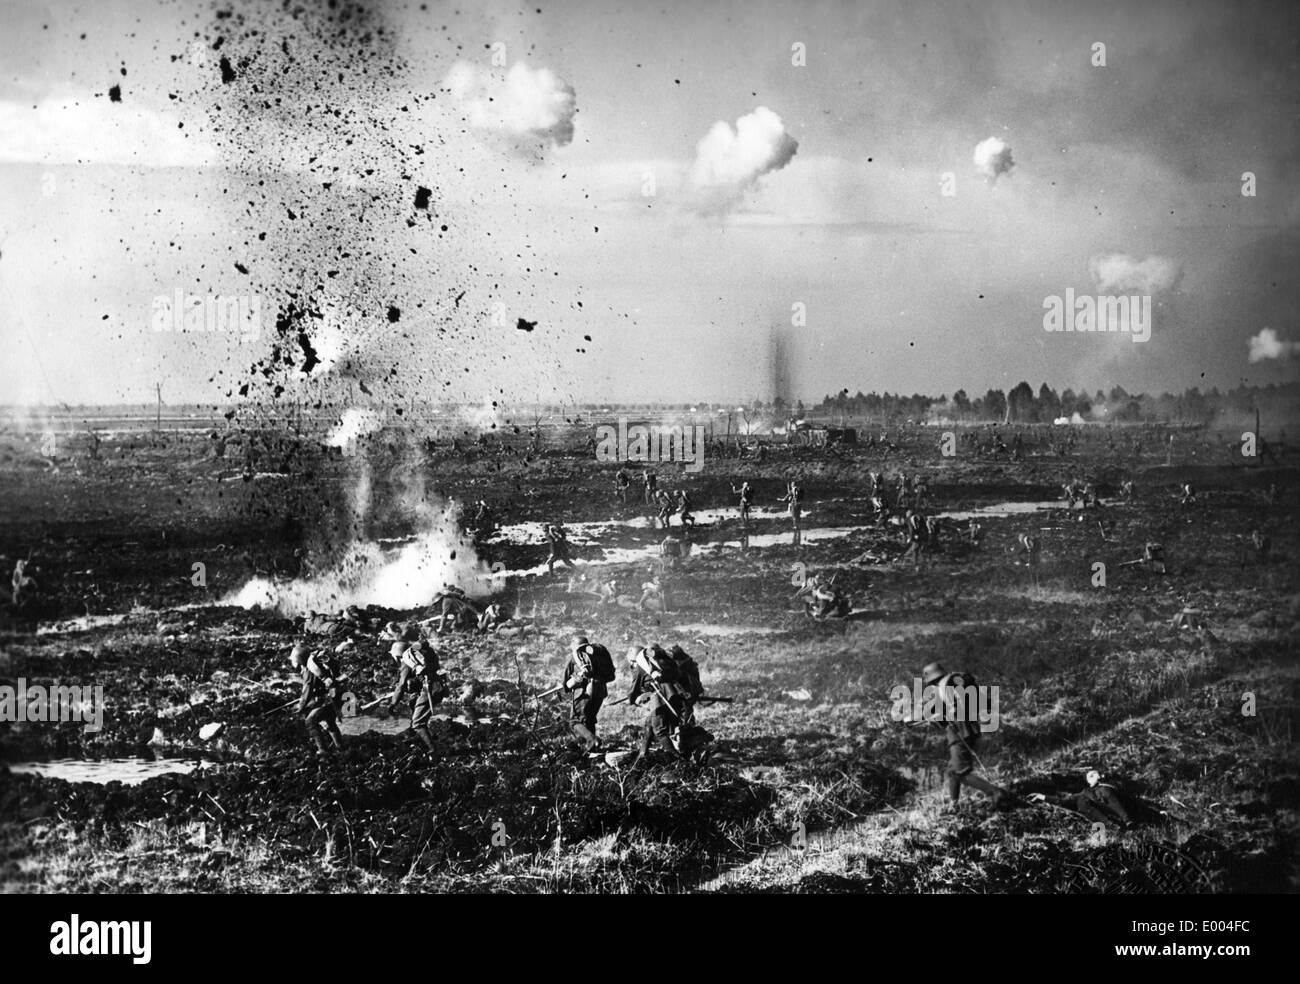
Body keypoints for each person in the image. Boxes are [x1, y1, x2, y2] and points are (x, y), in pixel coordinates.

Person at [914, 661, 1010, 810]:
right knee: (953, 771)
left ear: (931, 678)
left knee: (961, 772)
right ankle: (954, 804)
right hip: (970, 727)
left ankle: (995, 793)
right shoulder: (955, 682)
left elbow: (940, 715)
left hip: (958, 731)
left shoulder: (942, 688)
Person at [625, 644, 689, 766]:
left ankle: (677, 759)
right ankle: (643, 754)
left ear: (633, 658)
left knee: (659, 730)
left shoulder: (640, 667)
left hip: (660, 697)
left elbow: (634, 688)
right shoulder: (658, 664)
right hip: (672, 694)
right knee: (649, 724)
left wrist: (631, 700)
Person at [386, 624, 445, 753]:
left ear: (397, 656)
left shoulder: (406, 664)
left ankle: (433, 750)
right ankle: (418, 738)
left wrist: (392, 704)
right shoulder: (418, 658)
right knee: (413, 703)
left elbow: (400, 686)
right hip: (437, 686)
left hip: (430, 689)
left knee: (418, 723)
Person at [290, 642, 345, 756]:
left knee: (310, 722)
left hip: (328, 700)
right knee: (330, 722)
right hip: (334, 698)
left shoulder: (308, 671)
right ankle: (340, 747)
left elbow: (307, 690)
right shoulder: (315, 666)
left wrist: (301, 706)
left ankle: (323, 750)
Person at [561, 635, 615, 752]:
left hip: (584, 694)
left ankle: (592, 740)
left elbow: (565, 683)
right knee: (589, 719)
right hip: (600, 691)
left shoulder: (575, 658)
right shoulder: (599, 655)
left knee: (575, 721)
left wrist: (570, 684)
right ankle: (592, 749)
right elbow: (611, 675)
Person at [1029, 770, 1133, 829]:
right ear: (1087, 781)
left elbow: (1120, 795)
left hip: (1121, 813)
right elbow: (1064, 800)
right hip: (1103, 816)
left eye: (1094, 774)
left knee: (1104, 791)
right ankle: (1109, 826)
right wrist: (1042, 796)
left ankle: (1126, 821)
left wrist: (1127, 819)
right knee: (1081, 800)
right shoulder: (1085, 792)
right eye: (1089, 776)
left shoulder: (1109, 785)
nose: (1091, 776)